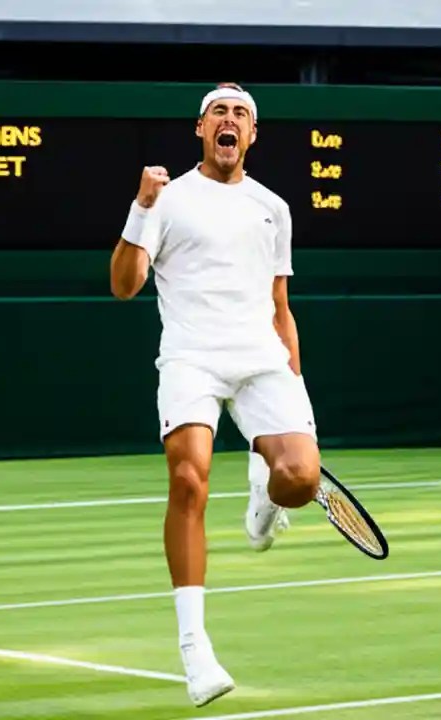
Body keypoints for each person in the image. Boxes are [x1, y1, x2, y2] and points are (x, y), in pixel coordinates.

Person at [109, 82, 322, 707]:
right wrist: (140, 208)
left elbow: (281, 308)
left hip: (263, 361)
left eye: (241, 115)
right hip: (191, 358)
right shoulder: (167, 199)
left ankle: (266, 486)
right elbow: (124, 287)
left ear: (252, 135)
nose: (229, 122)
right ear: (201, 130)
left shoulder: (273, 208)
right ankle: (195, 650)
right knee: (189, 480)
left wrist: (298, 392)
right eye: (219, 113)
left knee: (301, 481)